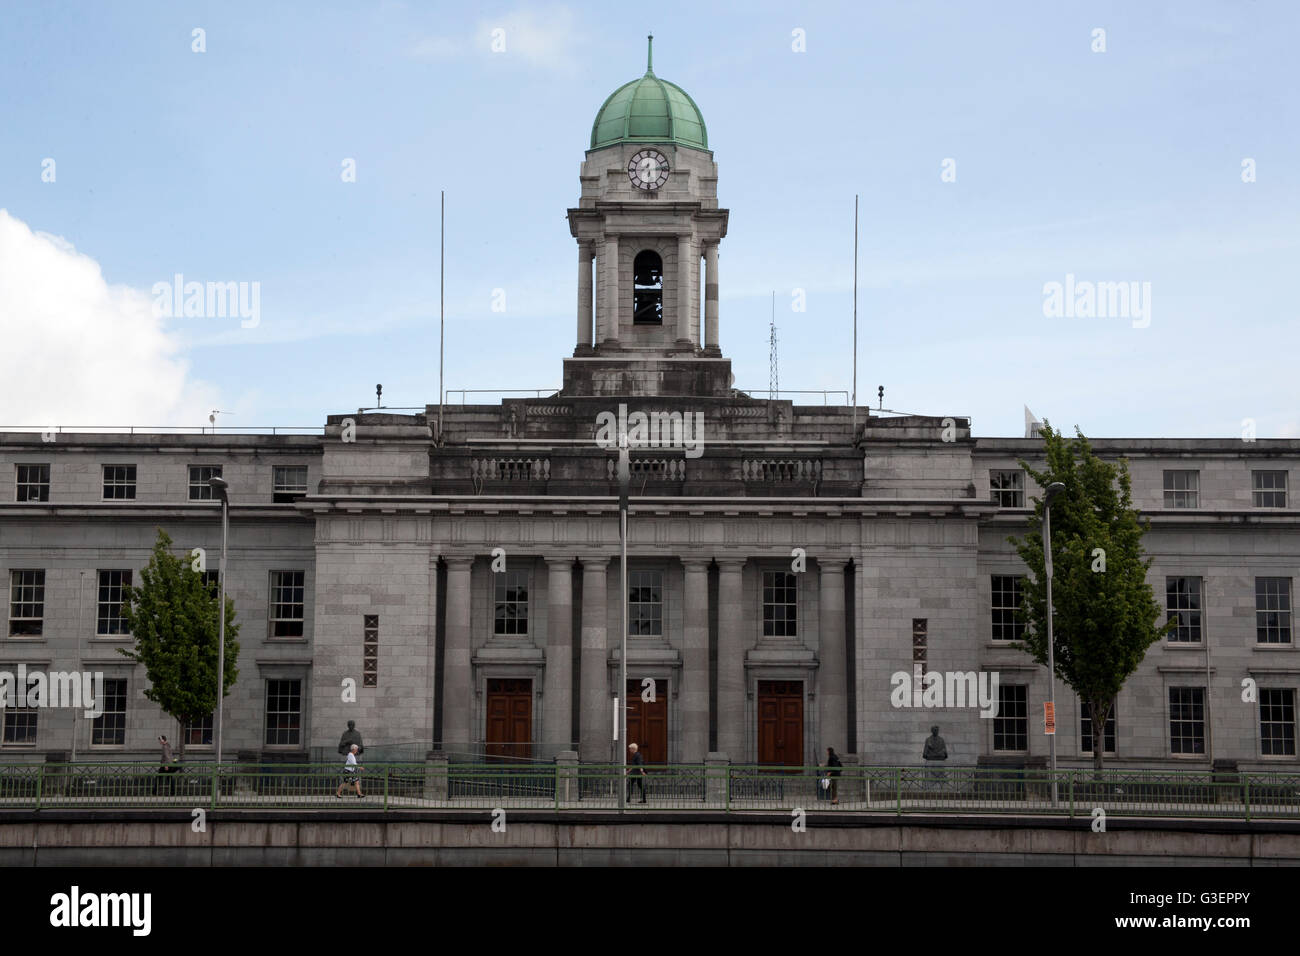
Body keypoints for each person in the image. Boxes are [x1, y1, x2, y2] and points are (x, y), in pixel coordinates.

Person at [923, 725, 948, 792]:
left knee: (940, 780)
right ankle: (929, 790)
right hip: (930, 762)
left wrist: (939, 753)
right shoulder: (928, 740)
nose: (936, 731)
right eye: (934, 730)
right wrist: (931, 752)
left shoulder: (941, 740)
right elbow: (924, 754)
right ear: (932, 731)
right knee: (930, 780)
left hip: (940, 763)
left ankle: (941, 790)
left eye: (937, 730)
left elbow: (945, 753)